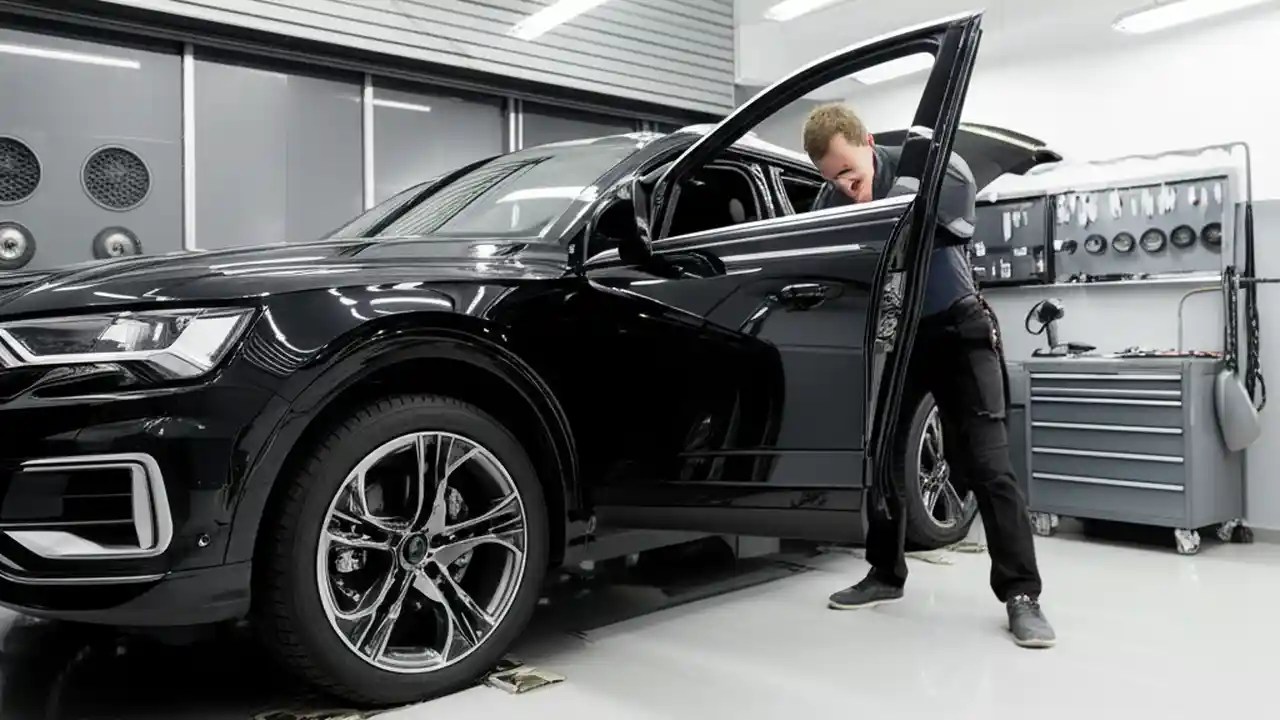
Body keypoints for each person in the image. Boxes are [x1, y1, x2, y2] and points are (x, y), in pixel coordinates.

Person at [802, 103, 1056, 649]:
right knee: (886, 456)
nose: (846, 188)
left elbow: (942, 229)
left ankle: (1021, 595)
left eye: (851, 172)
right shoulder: (830, 202)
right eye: (833, 179)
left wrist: (891, 212)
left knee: (987, 464)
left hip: (958, 328)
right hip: (900, 340)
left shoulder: (942, 170)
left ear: (868, 143)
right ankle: (886, 574)